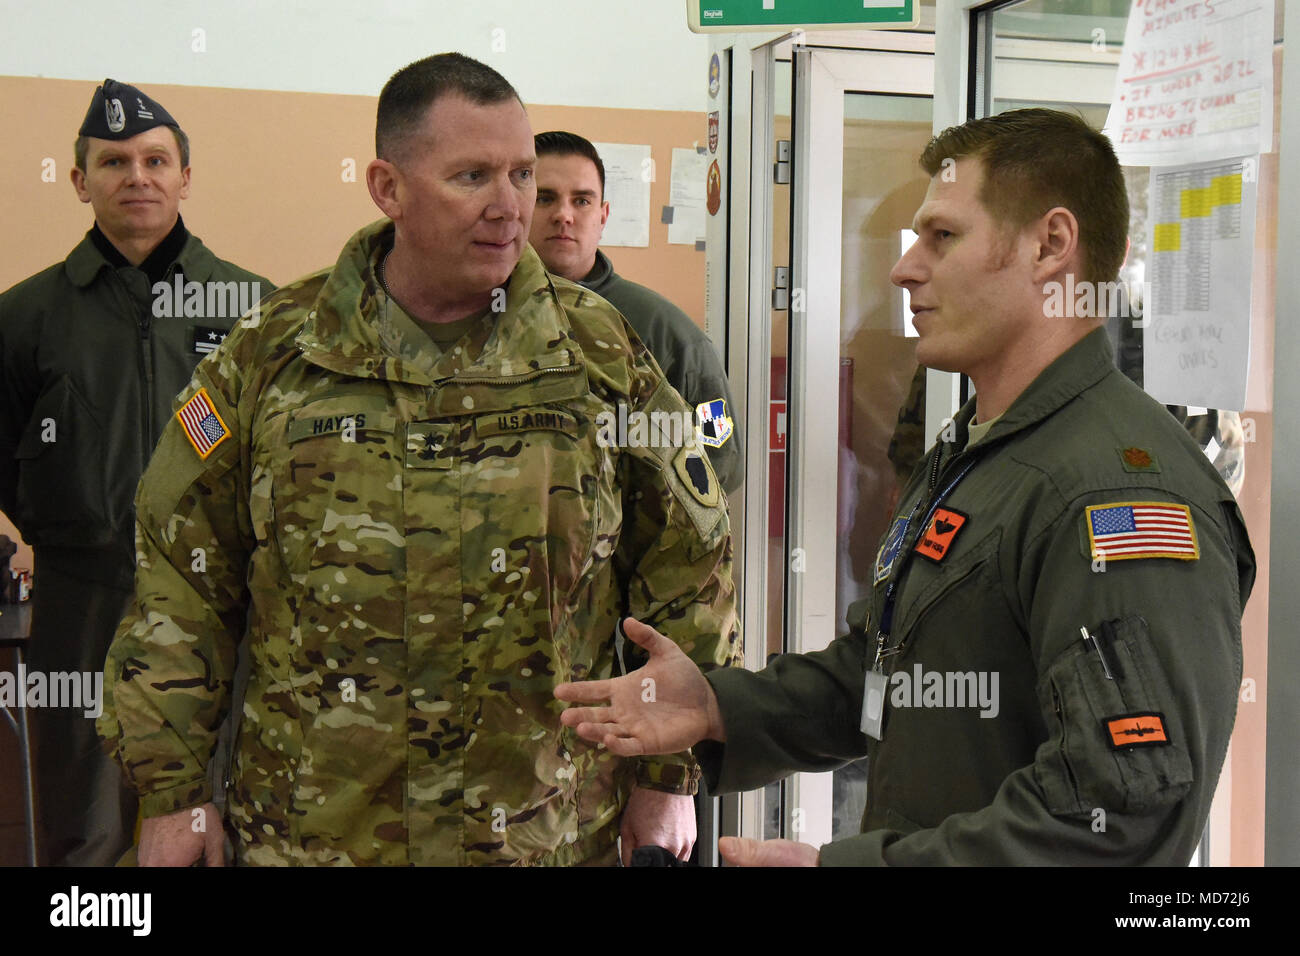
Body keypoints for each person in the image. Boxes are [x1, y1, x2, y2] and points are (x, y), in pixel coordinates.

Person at [556, 108, 1255, 866]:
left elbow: (1120, 811)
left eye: (942, 236)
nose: (904, 268)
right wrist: (718, 706)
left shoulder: (1115, 490)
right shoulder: (982, 447)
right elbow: (889, 677)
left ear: (1051, 246)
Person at [96, 53, 739, 867]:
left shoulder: (598, 353)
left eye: (522, 174)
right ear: (387, 187)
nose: (509, 206)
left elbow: (690, 562)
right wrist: (175, 792)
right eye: (472, 176)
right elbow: (180, 578)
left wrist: (670, 776)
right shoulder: (274, 354)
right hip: (317, 837)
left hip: (543, 832)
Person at [0, 79, 271, 866]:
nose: (137, 177)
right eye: (113, 162)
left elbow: (283, 460)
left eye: (155, 160)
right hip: (84, 603)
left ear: (185, 176)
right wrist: (76, 528)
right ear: (80, 181)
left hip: (226, 599)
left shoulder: (254, 308)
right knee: (85, 824)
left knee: (222, 818)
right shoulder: (26, 317)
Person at [530, 132, 742, 494]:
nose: (563, 215)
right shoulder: (474, 314)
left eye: (581, 200)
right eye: (544, 198)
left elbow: (720, 460)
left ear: (603, 216)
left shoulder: (664, 331)